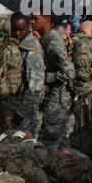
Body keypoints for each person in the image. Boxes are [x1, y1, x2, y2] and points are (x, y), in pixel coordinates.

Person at [0, 14, 44, 136]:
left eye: (21, 30)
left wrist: (22, 113)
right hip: (10, 108)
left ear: (28, 28)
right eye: (14, 30)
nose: (17, 33)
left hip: (25, 114)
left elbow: (35, 88)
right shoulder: (12, 46)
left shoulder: (32, 51)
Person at [34, 12, 75, 149]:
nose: (32, 22)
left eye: (36, 19)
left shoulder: (53, 43)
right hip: (50, 98)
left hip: (57, 100)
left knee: (53, 141)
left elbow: (69, 72)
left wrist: (44, 77)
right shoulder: (44, 40)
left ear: (47, 20)